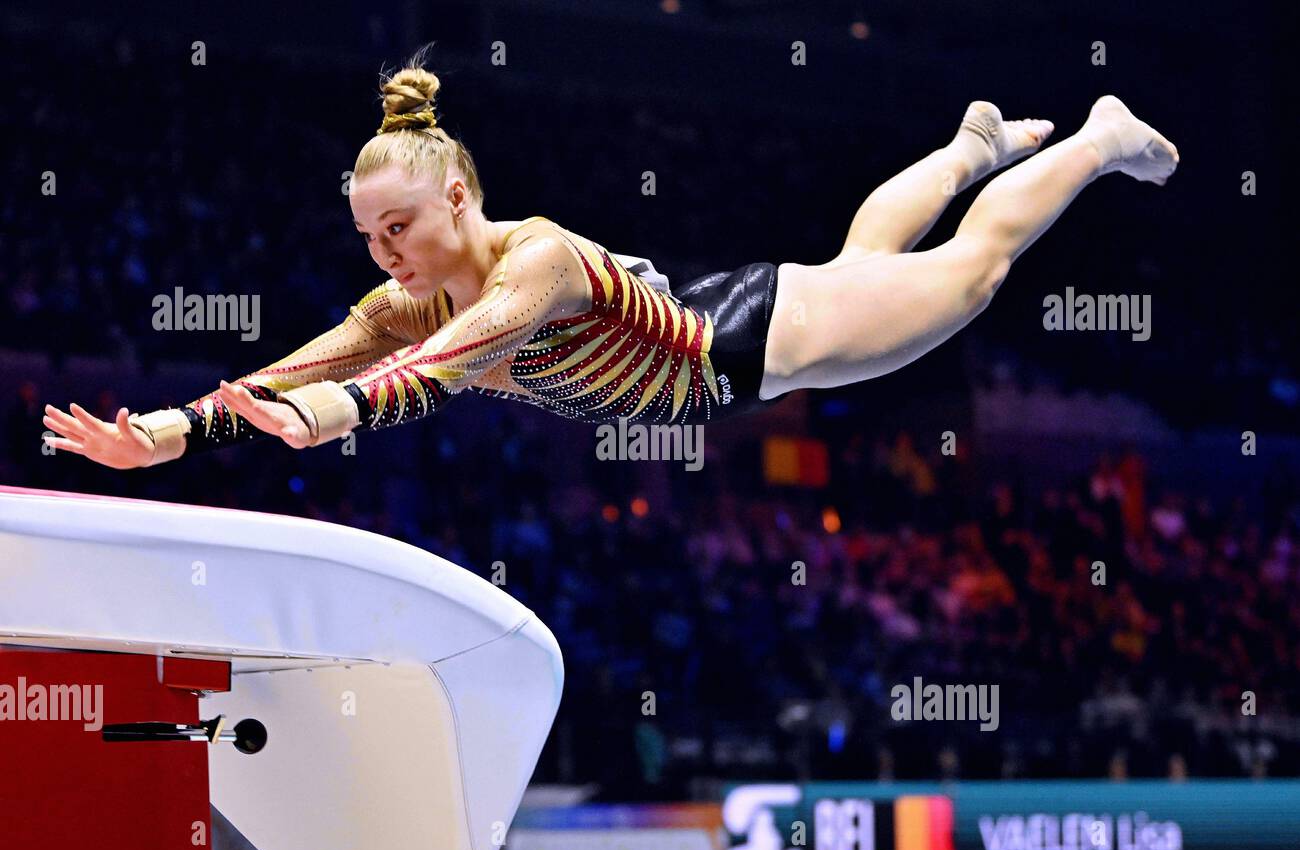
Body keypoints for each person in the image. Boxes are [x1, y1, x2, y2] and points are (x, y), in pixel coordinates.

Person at [43, 48, 1177, 467]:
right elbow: (294, 366)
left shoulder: (533, 264)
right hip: (726, 325)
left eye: (399, 228)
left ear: (457, 195)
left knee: (971, 275)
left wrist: (338, 415)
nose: (385, 255)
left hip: (750, 341)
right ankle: (970, 145)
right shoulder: (405, 300)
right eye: (368, 239)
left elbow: (432, 377)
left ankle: (1097, 137)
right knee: (858, 259)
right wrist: (168, 430)